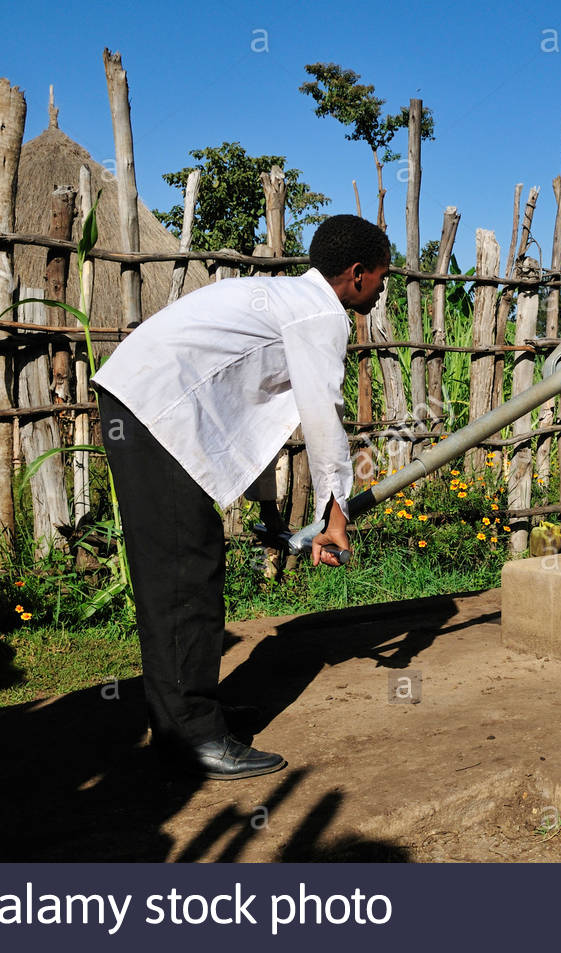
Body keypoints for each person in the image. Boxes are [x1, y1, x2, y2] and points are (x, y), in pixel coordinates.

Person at [91, 214, 389, 780]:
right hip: (156, 412)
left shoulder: (285, 299)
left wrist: (277, 508)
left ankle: (188, 710)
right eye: (380, 276)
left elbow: (250, 413)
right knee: (182, 571)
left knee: (188, 561)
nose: (381, 287)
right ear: (355, 275)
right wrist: (336, 514)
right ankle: (190, 734)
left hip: (148, 404)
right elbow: (323, 419)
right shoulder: (321, 313)